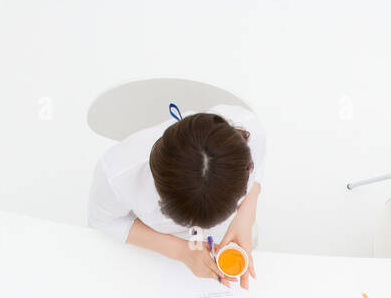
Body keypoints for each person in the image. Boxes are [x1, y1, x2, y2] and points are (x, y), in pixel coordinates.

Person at [88, 103, 265, 288]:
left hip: (231, 232)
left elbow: (258, 169)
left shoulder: (248, 128)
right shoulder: (117, 176)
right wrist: (180, 251)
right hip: (156, 249)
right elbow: (102, 221)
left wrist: (246, 212)